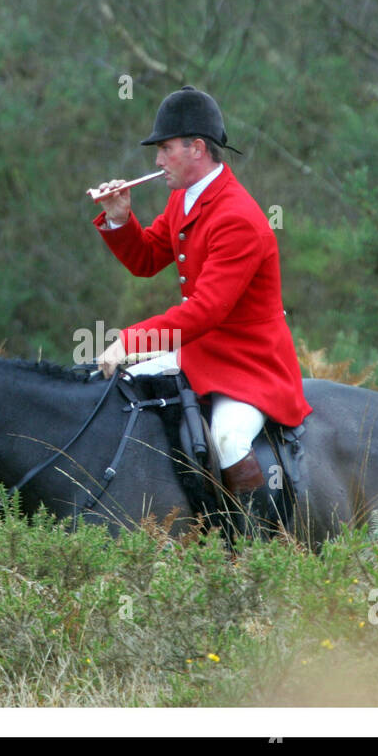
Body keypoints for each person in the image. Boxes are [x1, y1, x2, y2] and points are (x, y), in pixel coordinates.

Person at [91, 85, 312, 525]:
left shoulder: (238, 218)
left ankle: (259, 540)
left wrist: (131, 340)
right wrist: (119, 216)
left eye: (165, 149)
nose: (157, 161)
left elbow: (206, 310)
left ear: (196, 149)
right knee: (122, 391)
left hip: (251, 366)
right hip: (200, 353)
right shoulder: (184, 197)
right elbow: (148, 258)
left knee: (229, 438)